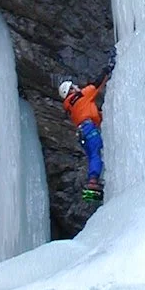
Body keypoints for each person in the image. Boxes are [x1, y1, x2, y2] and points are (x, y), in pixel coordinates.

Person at [58, 47, 116, 198]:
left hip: (83, 133)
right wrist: (109, 67)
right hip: (89, 129)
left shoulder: (72, 107)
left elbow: (93, 114)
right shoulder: (80, 96)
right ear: (71, 91)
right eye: (74, 86)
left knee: (92, 156)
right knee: (97, 153)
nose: (77, 87)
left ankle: (94, 186)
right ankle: (93, 182)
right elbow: (97, 84)